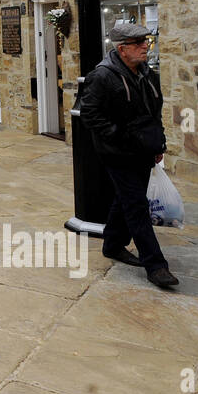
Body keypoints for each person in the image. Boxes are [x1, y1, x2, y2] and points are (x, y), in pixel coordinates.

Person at [79, 22, 179, 290]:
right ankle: (156, 265)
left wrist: (159, 144)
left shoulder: (148, 74)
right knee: (136, 206)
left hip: (143, 150)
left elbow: (153, 113)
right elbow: (89, 114)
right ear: (122, 49)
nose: (145, 46)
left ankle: (112, 244)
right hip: (117, 153)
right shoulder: (102, 76)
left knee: (126, 200)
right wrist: (116, 135)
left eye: (146, 42)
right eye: (138, 44)